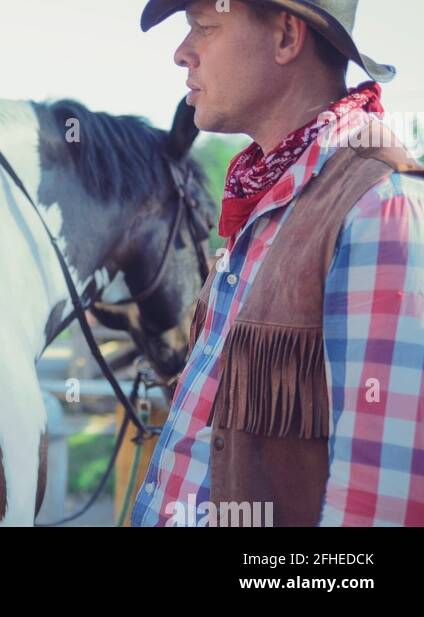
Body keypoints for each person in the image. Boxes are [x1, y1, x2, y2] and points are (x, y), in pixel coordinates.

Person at [132, 0, 424, 526]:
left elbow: (378, 512)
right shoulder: (268, 195)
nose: (182, 53)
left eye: (204, 27)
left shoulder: (380, 204)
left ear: (287, 37)